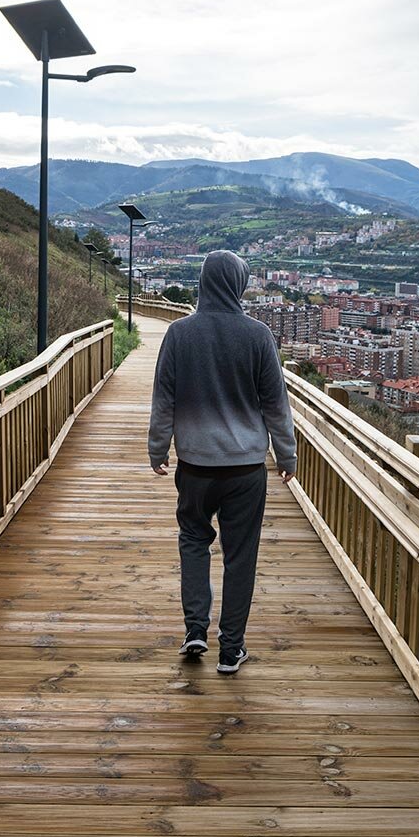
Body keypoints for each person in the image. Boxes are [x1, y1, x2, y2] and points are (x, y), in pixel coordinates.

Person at [148, 250, 297, 674]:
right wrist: (286, 455)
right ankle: (231, 650)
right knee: (240, 555)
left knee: (193, 541)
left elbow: (164, 401)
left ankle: (195, 629)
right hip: (246, 469)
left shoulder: (179, 334)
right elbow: (276, 406)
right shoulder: (258, 335)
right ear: (238, 283)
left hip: (195, 465)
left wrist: (158, 449)